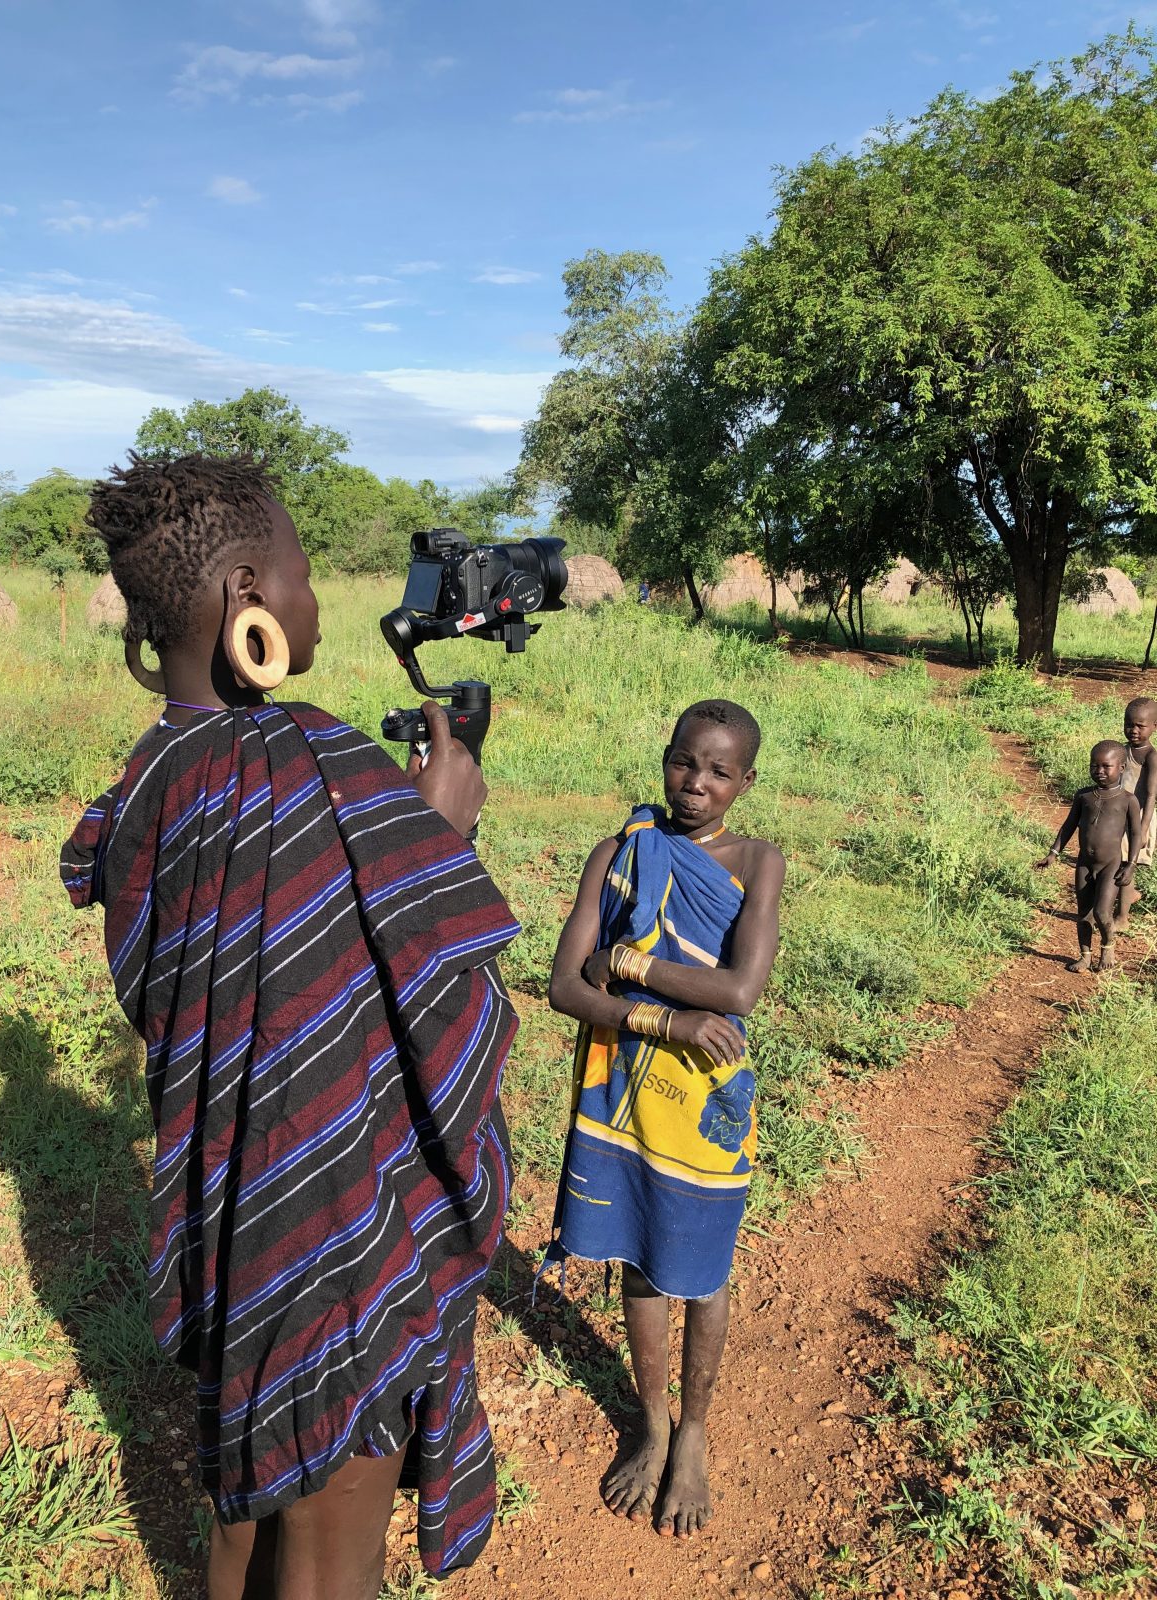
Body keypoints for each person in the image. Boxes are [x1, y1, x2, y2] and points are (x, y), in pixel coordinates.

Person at [59, 454, 519, 1600]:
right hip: (335, 1227)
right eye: (305, 576)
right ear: (249, 595)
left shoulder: (153, 781)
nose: (317, 602)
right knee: (329, 1549)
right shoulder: (311, 760)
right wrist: (440, 834)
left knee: (247, 1515)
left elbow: (244, 983)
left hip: (238, 1212)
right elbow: (415, 991)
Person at [543, 700, 785, 1540]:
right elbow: (564, 984)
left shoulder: (756, 862)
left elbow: (740, 989)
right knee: (640, 1257)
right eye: (686, 762)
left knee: (703, 1269)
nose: (696, 784)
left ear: (746, 781)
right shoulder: (619, 851)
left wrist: (628, 963)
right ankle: (652, 1424)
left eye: (719, 772)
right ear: (666, 757)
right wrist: (663, 1017)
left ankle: (695, 1434)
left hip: (707, 1098)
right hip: (623, 1086)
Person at [1037, 739, 1140, 972]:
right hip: (1084, 863)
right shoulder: (1084, 796)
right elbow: (1068, 826)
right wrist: (1053, 853)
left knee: (1102, 912)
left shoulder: (1127, 800)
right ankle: (1085, 956)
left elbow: (1136, 833)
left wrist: (1131, 864)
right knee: (1083, 914)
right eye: (1094, 765)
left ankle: (1108, 945)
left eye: (1106, 766)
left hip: (1111, 865)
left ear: (1121, 768)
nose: (1099, 771)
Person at [1117, 697, 1157, 932]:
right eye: (1129, 724)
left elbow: (1151, 795)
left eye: (1140, 726)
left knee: (1126, 864)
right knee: (1115, 861)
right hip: (1119, 816)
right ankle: (1128, 894)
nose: (1133, 730)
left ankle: (1122, 918)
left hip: (1140, 818)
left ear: (1154, 726)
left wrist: (1142, 829)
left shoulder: (1151, 757)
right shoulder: (1122, 751)